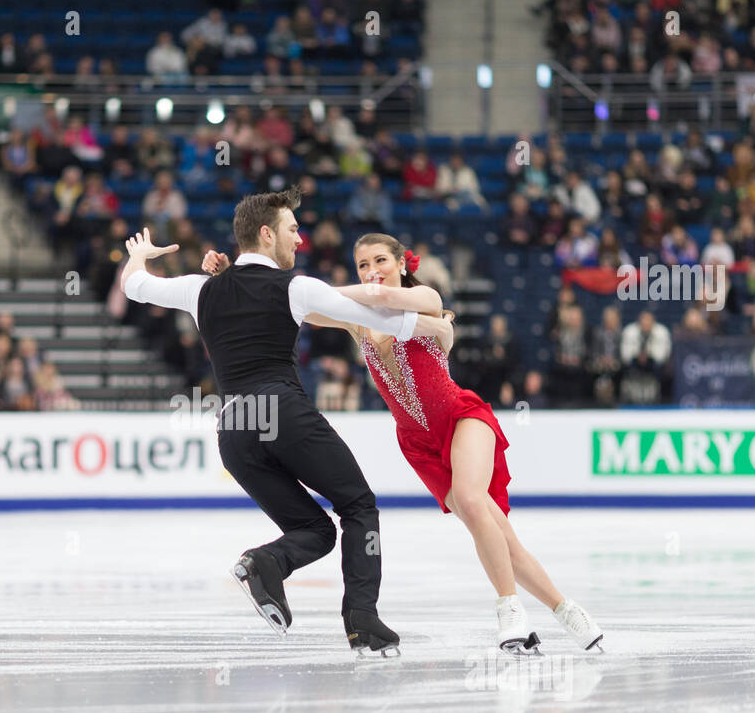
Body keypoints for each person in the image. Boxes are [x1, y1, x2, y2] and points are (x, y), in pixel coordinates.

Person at [207, 234, 604, 655]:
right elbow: (295, 306)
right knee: (498, 532)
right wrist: (236, 277)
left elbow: (347, 296)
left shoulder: (427, 298)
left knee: (471, 500)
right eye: (362, 264)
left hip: (461, 418)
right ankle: (566, 610)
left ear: (401, 264)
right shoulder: (356, 320)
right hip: (417, 442)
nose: (371, 270)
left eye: (380, 260)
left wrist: (313, 291)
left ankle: (510, 610)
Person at [122, 189, 449, 656]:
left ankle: (264, 562)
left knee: (315, 531)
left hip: (233, 427)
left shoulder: (200, 288)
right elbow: (379, 317)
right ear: (267, 233)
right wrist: (435, 323)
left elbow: (135, 287)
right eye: (293, 229)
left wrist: (138, 256)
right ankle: (363, 620)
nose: (300, 238)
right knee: (358, 506)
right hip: (282, 410)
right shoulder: (295, 287)